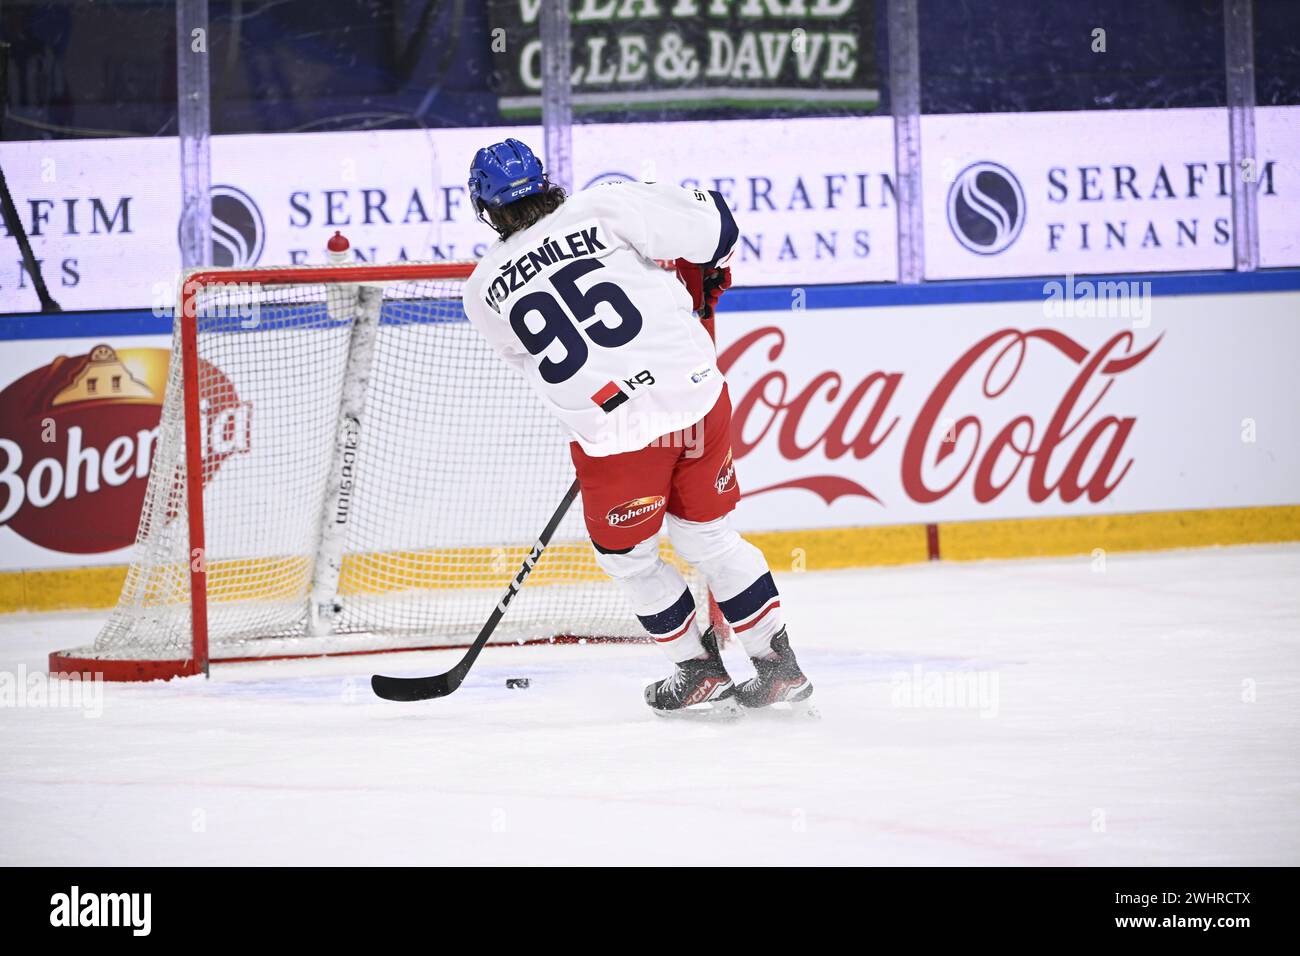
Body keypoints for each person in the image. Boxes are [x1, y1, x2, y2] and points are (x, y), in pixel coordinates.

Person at [462, 138, 813, 718]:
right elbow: (718, 227)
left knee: (629, 558)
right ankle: (780, 668)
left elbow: (527, 356)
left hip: (617, 435)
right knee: (710, 538)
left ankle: (699, 672)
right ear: (547, 181)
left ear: (484, 208)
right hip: (698, 396)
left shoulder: (480, 290)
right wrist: (681, 271)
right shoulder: (605, 204)